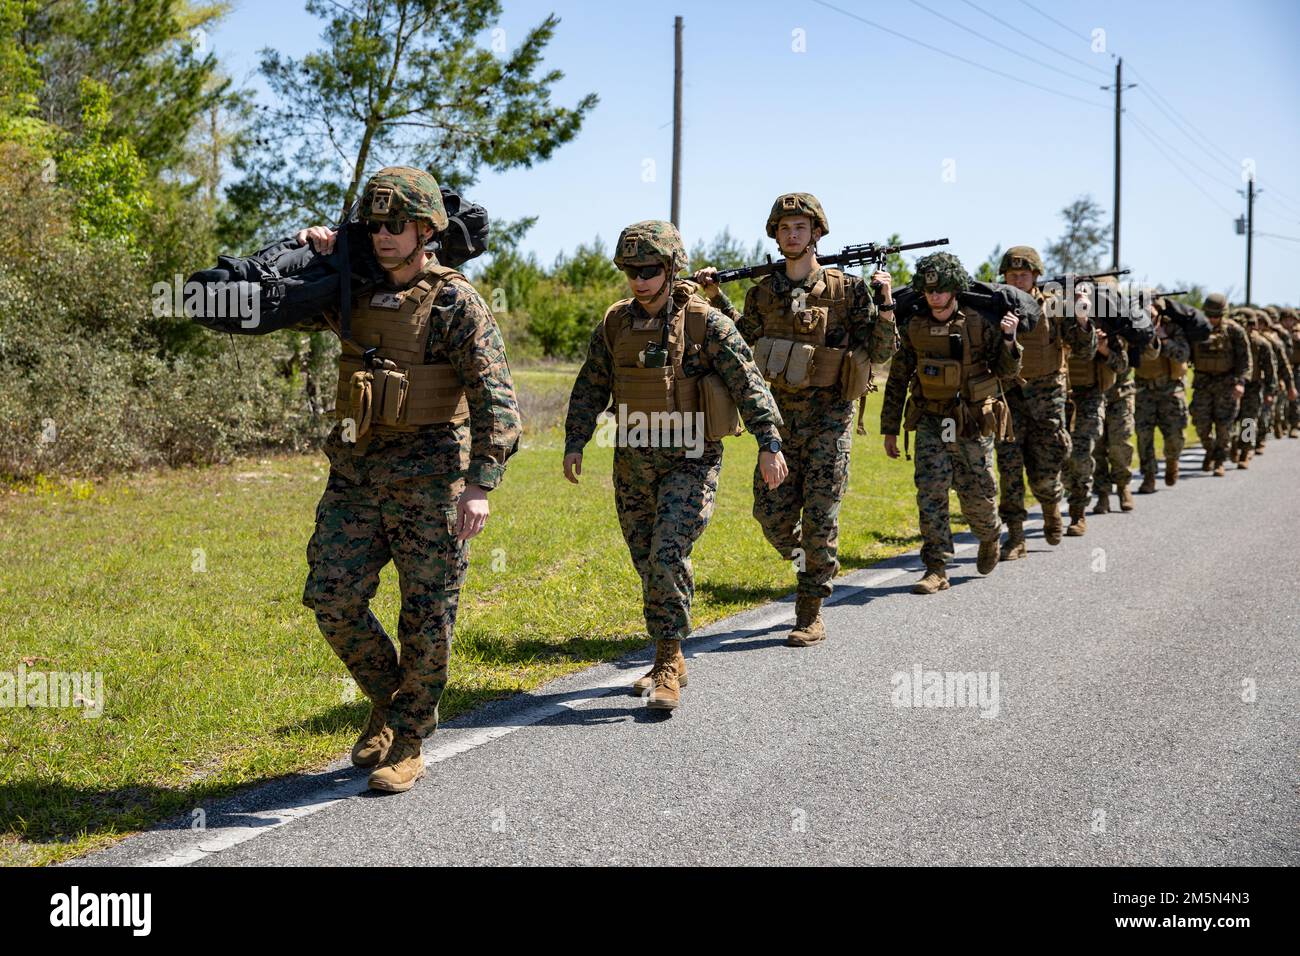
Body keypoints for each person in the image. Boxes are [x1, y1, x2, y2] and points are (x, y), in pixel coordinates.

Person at [294, 166, 521, 793]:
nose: (386, 236)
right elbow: (279, 310)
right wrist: (311, 258)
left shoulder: (454, 301)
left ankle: (411, 737)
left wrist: (480, 484)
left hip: (430, 481)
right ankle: (387, 699)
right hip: (356, 475)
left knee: (427, 614)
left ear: (426, 230)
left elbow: (496, 400)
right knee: (331, 598)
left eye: (398, 225)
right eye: (376, 225)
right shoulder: (350, 289)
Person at [563, 220, 787, 709]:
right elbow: (590, 384)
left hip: (692, 458)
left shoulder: (707, 323)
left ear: (669, 268)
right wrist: (575, 440)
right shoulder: (616, 323)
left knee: (667, 554)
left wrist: (770, 442)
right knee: (647, 560)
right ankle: (673, 648)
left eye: (648, 270)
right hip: (633, 460)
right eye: (631, 270)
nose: (639, 280)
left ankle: (667, 661)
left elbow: (750, 384)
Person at [695, 193, 896, 645]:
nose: (792, 234)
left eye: (800, 227)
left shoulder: (847, 291)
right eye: (785, 227)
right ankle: (813, 555)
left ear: (817, 233)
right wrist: (715, 298)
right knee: (770, 515)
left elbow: (882, 352)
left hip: (830, 423)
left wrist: (885, 303)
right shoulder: (763, 294)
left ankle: (809, 612)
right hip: (779, 425)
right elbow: (742, 345)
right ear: (776, 234)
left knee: (822, 516)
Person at [880, 252, 1021, 595]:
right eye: (929, 291)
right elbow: (898, 378)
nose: (935, 297)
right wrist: (889, 428)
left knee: (978, 495)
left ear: (954, 289)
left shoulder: (979, 322)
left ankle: (989, 535)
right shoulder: (914, 325)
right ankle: (936, 567)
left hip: (971, 419)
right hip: (931, 417)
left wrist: (1009, 340)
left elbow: (1007, 372)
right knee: (931, 492)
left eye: (941, 290)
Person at [992, 246, 1095, 559]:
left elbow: (1085, 351)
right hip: (1008, 397)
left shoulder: (1053, 307)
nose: (1018, 279)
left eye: (1024, 274)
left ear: (1036, 275)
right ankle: (1016, 537)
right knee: (1009, 467)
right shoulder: (994, 307)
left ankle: (1051, 508)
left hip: (1047, 398)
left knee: (1046, 467)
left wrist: (1081, 316)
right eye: (1013, 274)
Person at [1134, 293, 1192, 492]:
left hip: (1170, 389)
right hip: (1143, 390)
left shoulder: (1172, 329)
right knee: (1144, 436)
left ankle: (1172, 461)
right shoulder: (1134, 330)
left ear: (1158, 311)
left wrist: (1164, 339)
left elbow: (1183, 354)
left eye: (1150, 311)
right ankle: (1149, 477)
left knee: (1175, 435)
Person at [1188, 293, 1250, 478]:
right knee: (1201, 423)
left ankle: (1234, 454)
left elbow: (1246, 361)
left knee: (1231, 424)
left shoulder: (1235, 331)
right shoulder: (1198, 329)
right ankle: (1212, 450)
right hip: (1203, 383)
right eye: (1210, 315)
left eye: (1217, 316)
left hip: (1228, 383)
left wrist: (1241, 382)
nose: (1213, 319)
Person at [1232, 308, 1276, 469]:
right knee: (1229, 420)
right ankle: (1232, 446)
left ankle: (1245, 451)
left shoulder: (1261, 344)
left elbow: (1271, 370)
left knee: (1248, 420)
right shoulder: (1232, 341)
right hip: (1232, 385)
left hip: (1253, 387)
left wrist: (1270, 391)